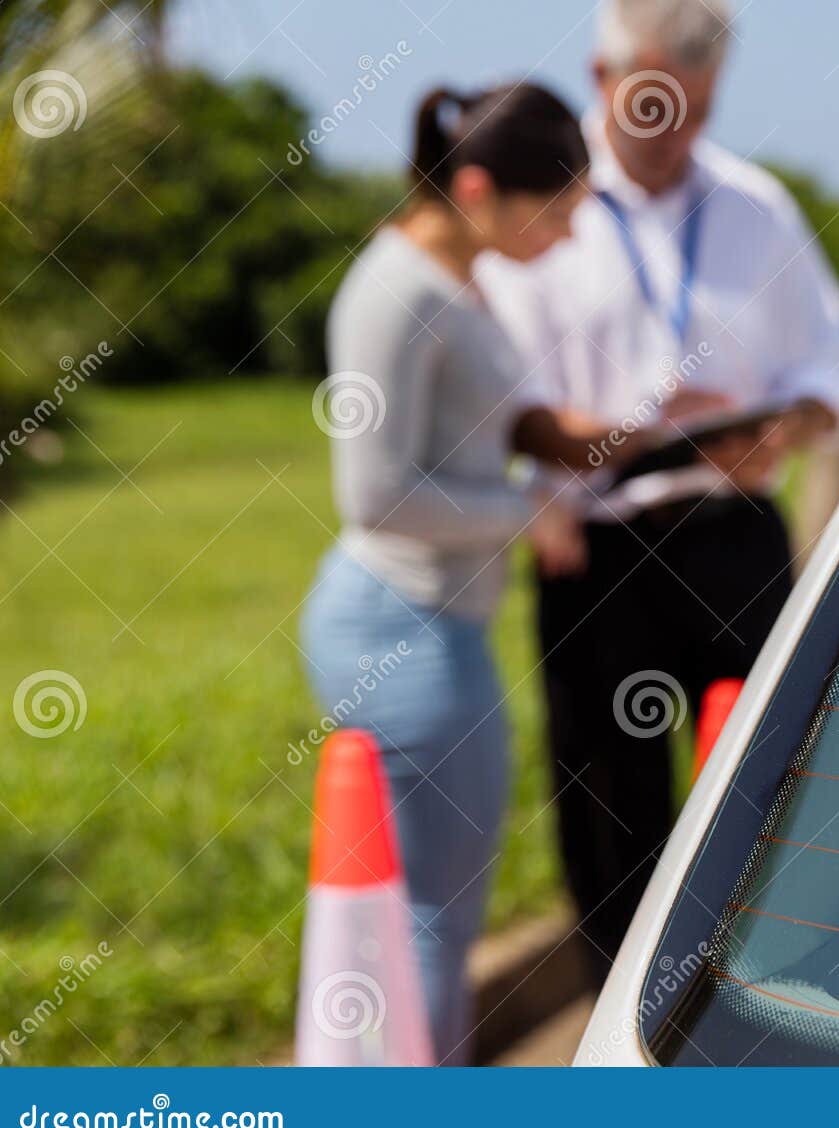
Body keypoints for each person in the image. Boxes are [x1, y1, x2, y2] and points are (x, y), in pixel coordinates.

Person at [477, 0, 839, 985]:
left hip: (733, 536)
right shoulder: (541, 212)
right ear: (603, 82)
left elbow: (832, 365)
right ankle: (623, 1008)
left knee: (772, 773)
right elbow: (502, 398)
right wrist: (586, 455)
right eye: (654, 109)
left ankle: (775, 994)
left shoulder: (757, 206)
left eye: (693, 112)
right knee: (609, 800)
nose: (674, 135)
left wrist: (783, 428)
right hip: (600, 547)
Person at [300, 82, 615, 1062]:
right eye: (556, 213)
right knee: (432, 919)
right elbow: (377, 494)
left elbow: (470, 442)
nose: (566, 239)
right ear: (476, 187)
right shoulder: (397, 294)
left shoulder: (457, 276)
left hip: (436, 622)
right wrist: (528, 511)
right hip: (403, 627)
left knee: (435, 911)